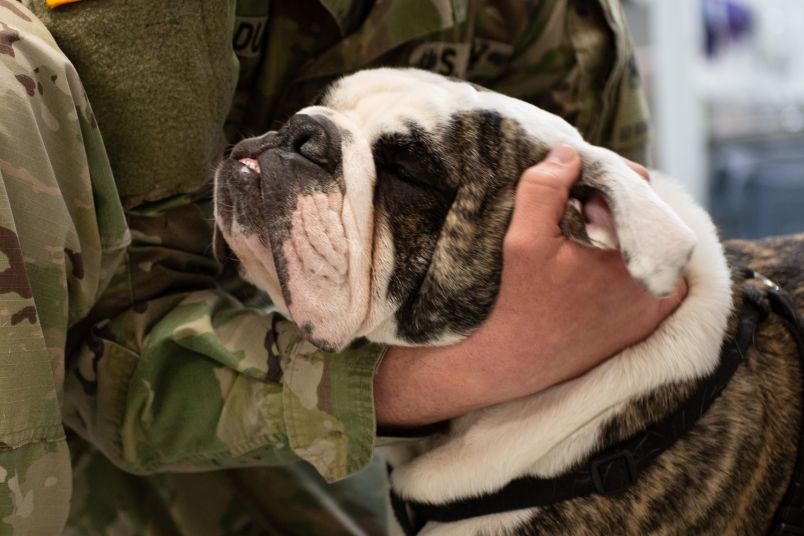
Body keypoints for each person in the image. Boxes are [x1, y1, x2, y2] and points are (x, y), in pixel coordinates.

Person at [0, 0, 684, 534]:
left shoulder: (547, 17)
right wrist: (449, 378)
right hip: (87, 418)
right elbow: (100, 349)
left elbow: (622, 264)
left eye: (403, 176)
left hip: (392, 399)